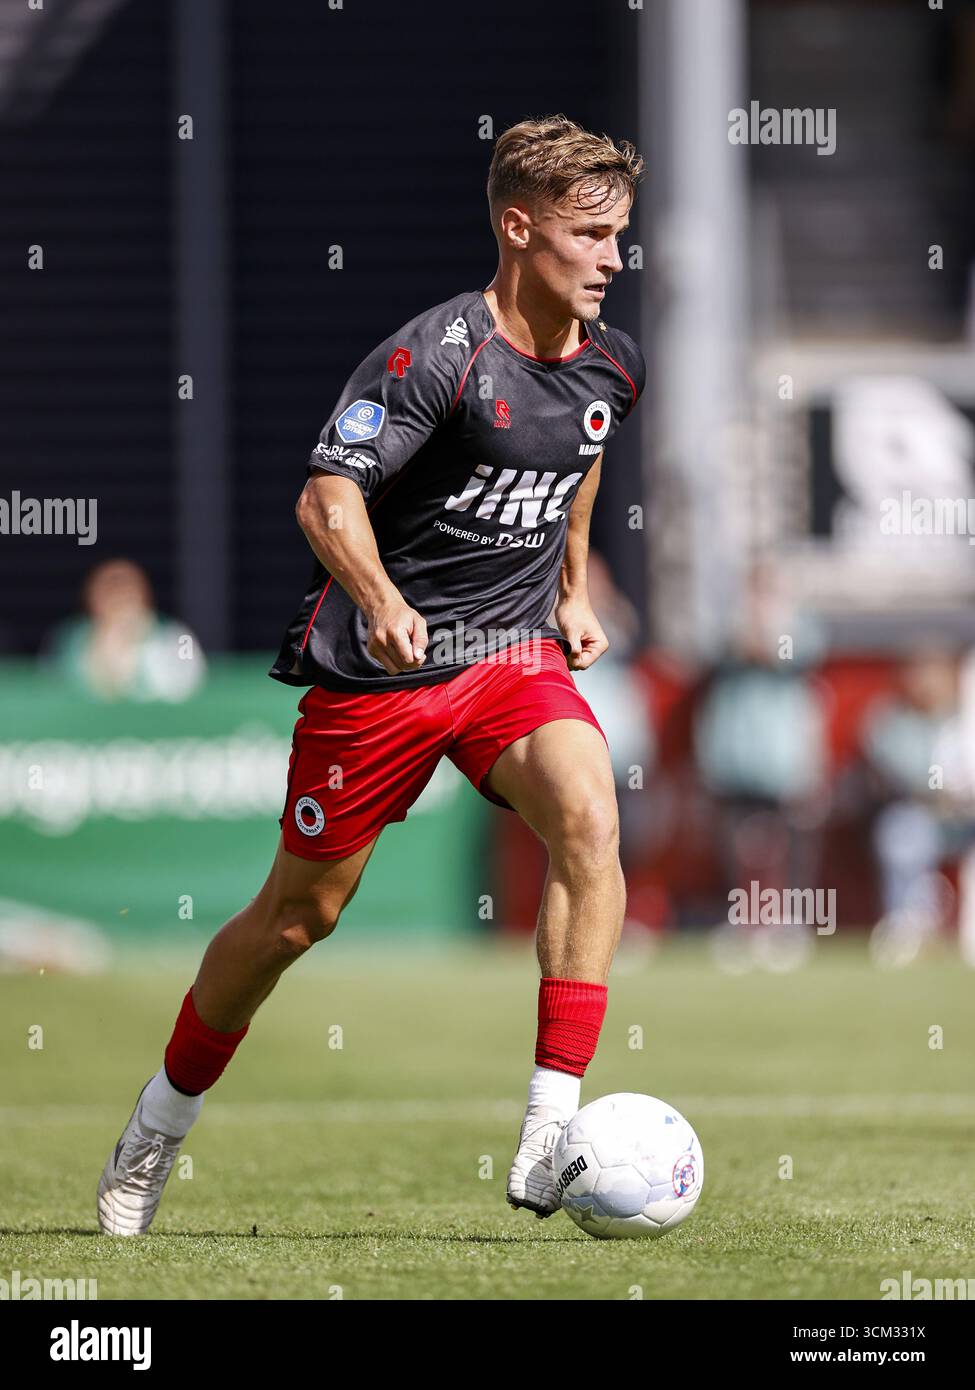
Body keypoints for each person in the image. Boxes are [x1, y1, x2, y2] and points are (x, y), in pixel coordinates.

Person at [97, 114, 647, 1235]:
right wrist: (385, 601)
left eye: (620, 235)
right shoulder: (435, 355)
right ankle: (160, 1119)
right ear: (518, 226)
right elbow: (324, 497)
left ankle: (550, 1123)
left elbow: (579, 455)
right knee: (299, 918)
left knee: (590, 819)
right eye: (589, 235)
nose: (611, 258)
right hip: (381, 677)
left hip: (509, 654)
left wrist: (575, 589)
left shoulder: (612, 363)